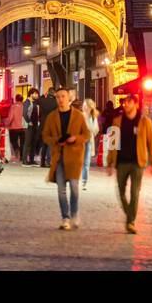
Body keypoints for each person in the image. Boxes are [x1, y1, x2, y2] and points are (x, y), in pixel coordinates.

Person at [106, 91, 152, 233]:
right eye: (124, 102)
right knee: (121, 192)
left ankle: (131, 222)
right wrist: (109, 163)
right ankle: (130, 215)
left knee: (135, 193)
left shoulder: (144, 121)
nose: (125, 104)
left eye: (128, 102)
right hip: (121, 162)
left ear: (135, 104)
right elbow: (112, 143)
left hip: (137, 163)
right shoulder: (117, 121)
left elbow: (151, 143)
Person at [42, 86, 90, 230]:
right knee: (61, 190)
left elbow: (86, 135)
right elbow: (45, 136)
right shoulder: (52, 117)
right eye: (58, 97)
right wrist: (56, 140)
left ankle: (74, 213)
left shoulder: (78, 115)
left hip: (74, 157)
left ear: (69, 98)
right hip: (59, 157)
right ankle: (65, 217)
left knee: (74, 188)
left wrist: (75, 138)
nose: (60, 99)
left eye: (63, 96)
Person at [81, 98, 99, 188]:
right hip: (80, 141)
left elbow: (95, 130)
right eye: (84, 105)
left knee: (86, 162)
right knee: (79, 161)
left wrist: (90, 130)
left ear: (90, 107)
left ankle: (84, 181)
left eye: (86, 105)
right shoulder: (80, 115)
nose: (84, 107)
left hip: (88, 141)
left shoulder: (93, 117)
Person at [37, 86, 58, 168]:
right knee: (50, 144)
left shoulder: (42, 100)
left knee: (44, 144)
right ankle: (49, 161)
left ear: (48, 92)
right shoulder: (56, 102)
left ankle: (42, 162)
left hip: (43, 124)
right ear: (54, 93)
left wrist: (43, 95)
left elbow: (37, 101)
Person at [22, 88, 41, 164]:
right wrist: (29, 121)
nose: (37, 95)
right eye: (35, 94)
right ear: (31, 94)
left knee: (33, 142)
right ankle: (24, 160)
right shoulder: (27, 102)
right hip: (28, 125)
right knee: (28, 142)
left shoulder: (35, 103)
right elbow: (24, 113)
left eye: (37, 94)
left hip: (35, 125)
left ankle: (32, 160)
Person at [6, 94, 25, 160]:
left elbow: (11, 117)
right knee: (23, 142)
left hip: (14, 127)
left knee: (13, 140)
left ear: (16, 99)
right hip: (23, 127)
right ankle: (22, 156)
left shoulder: (13, 106)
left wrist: (7, 124)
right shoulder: (24, 106)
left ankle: (17, 149)